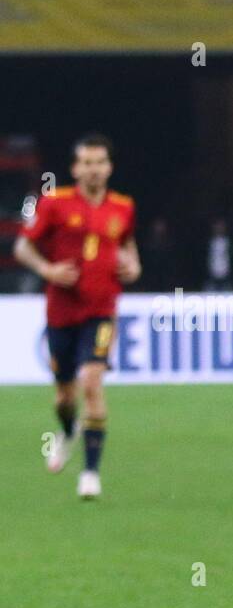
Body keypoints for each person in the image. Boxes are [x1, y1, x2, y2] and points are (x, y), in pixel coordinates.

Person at [14, 134, 140, 500]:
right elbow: (22, 246)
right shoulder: (55, 204)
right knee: (65, 397)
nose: (93, 169)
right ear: (75, 168)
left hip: (101, 311)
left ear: (109, 167)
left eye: (99, 162)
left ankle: (90, 473)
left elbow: (128, 245)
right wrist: (48, 270)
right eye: (86, 162)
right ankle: (68, 431)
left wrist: (134, 265)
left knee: (92, 381)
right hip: (61, 313)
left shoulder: (122, 207)